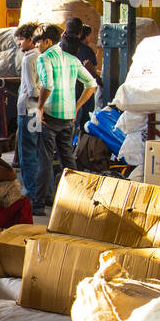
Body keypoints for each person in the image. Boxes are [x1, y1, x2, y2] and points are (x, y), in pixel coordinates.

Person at [34, 22, 97, 210]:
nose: (36, 46)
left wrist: (39, 108)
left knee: (44, 159)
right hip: (68, 117)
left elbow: (48, 85)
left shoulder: (45, 58)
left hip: (50, 117)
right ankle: (76, 200)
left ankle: (38, 203)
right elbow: (91, 84)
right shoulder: (72, 59)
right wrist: (76, 107)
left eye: (38, 42)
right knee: (68, 160)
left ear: (47, 41)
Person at [14, 23, 41, 204]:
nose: (19, 43)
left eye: (22, 39)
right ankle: (40, 192)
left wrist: (37, 94)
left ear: (31, 40)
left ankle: (30, 194)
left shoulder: (27, 59)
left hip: (27, 109)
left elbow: (32, 89)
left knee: (27, 153)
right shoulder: (41, 56)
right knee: (36, 151)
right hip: (37, 110)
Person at [60, 17, 99, 130]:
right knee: (80, 129)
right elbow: (92, 83)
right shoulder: (85, 53)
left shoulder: (55, 51)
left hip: (60, 103)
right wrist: (77, 107)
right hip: (79, 98)